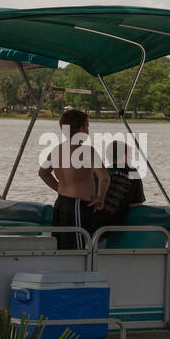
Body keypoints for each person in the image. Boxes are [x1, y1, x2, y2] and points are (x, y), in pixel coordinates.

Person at [39, 107, 108, 250]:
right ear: (81, 129)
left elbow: (43, 173)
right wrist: (100, 198)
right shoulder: (87, 151)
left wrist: (59, 187)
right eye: (87, 127)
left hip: (61, 203)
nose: (88, 131)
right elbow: (104, 177)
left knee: (62, 248)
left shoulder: (56, 150)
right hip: (78, 205)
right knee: (79, 249)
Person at [97, 137, 146, 231]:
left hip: (94, 227)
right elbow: (137, 206)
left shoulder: (102, 172)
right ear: (125, 157)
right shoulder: (132, 173)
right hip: (116, 228)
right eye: (130, 157)